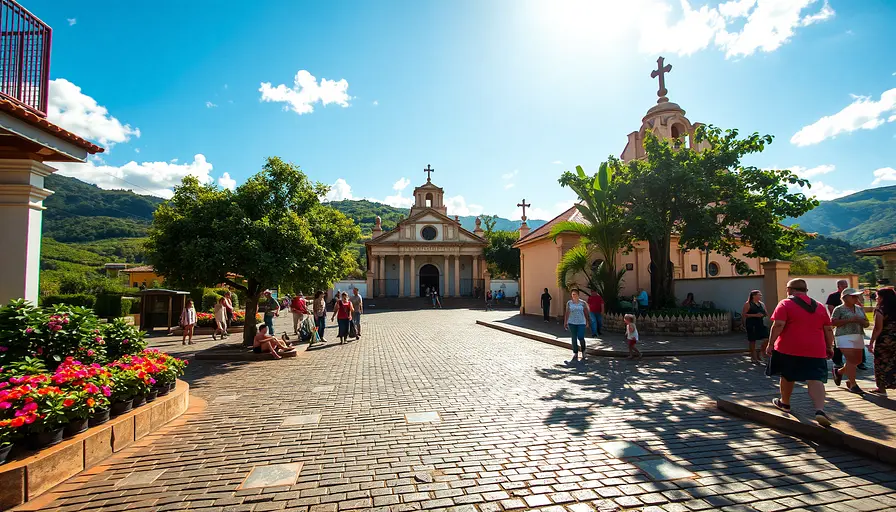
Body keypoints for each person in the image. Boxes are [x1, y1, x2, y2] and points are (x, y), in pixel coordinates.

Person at [765, 279, 835, 427]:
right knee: (815, 378)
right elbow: (828, 329)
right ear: (805, 290)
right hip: (816, 349)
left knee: (787, 376)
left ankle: (785, 403)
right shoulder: (820, 307)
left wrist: (770, 344)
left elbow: (778, 324)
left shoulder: (785, 304)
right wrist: (830, 346)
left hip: (789, 348)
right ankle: (819, 410)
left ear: (789, 290)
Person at [831, 288, 870, 393]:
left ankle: (839, 372)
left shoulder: (859, 308)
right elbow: (833, 322)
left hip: (858, 335)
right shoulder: (839, 309)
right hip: (843, 336)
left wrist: (861, 321)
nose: (855, 298)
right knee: (851, 360)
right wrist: (849, 320)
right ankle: (853, 384)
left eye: (856, 296)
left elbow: (867, 323)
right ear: (845, 298)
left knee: (857, 360)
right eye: (853, 296)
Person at [870, 287, 896, 395]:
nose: (876, 298)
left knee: (880, 363)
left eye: (877, 296)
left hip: (885, 341)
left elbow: (877, 328)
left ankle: (881, 389)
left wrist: (871, 342)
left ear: (882, 297)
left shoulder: (880, 309)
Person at [563, 290, 590, 362]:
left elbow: (586, 312)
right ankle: (575, 352)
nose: (573, 296)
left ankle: (583, 351)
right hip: (572, 322)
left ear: (578, 295)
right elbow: (567, 312)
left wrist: (587, 321)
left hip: (581, 322)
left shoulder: (582, 303)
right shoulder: (569, 303)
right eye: (572, 294)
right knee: (574, 337)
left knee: (580, 336)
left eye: (575, 294)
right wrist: (565, 322)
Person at [741, 290, 767, 364]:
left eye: (761, 295)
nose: (760, 297)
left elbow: (766, 313)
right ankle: (753, 357)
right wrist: (755, 315)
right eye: (759, 295)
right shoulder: (748, 304)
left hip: (760, 323)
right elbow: (744, 314)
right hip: (751, 324)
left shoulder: (761, 304)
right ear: (754, 296)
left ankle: (761, 352)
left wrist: (763, 315)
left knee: (766, 338)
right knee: (752, 340)